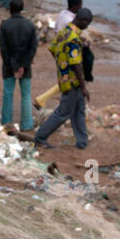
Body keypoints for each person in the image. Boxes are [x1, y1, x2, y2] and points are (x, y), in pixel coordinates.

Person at [34, 9, 93, 150]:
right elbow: (76, 64)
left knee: (79, 110)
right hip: (72, 81)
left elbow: (52, 48)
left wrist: (62, 65)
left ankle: (82, 142)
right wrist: (84, 86)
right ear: (82, 20)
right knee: (64, 112)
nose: (87, 26)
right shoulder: (73, 38)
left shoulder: (64, 31)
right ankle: (40, 137)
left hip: (65, 76)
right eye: (87, 23)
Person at [34, 0, 88, 109]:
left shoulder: (63, 13)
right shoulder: (70, 21)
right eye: (80, 6)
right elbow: (71, 36)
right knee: (72, 79)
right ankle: (43, 99)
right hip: (66, 50)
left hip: (59, 47)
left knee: (66, 78)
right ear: (76, 6)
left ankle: (43, 99)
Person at [0, 0, 37, 132]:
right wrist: (23, 66)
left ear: (10, 9)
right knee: (26, 94)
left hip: (9, 64)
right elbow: (33, 48)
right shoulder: (30, 25)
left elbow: (4, 49)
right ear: (22, 9)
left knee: (8, 93)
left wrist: (13, 66)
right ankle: (27, 125)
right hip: (25, 65)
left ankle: (6, 123)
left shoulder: (4, 25)